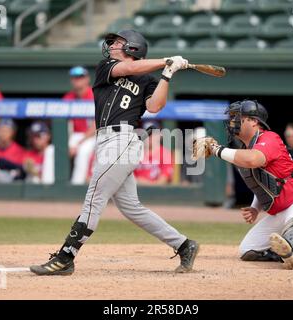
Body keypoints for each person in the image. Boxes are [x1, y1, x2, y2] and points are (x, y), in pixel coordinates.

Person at [30, 29, 199, 276]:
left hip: (124, 140)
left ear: (133, 48)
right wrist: (166, 60)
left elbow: (154, 106)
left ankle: (66, 256)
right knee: (131, 207)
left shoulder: (149, 81)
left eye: (117, 42)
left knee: (94, 198)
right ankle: (185, 245)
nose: (111, 46)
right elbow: (127, 70)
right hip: (105, 140)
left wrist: (167, 74)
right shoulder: (106, 66)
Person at [198, 100, 293, 269]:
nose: (233, 122)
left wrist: (217, 149)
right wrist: (256, 208)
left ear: (254, 121)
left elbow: (253, 159)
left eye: (239, 117)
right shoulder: (245, 150)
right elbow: (261, 184)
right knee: (248, 251)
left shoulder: (269, 138)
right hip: (279, 211)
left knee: (292, 234)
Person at [63, 66, 96, 185]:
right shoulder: (68, 97)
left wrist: (78, 143)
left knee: (83, 151)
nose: (77, 80)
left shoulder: (95, 95)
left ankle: (76, 185)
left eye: (80, 77)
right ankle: (48, 185)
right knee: (53, 151)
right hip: (74, 135)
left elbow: (97, 125)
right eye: (75, 78)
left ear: (87, 79)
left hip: (92, 136)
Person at [134, 121, 174, 185]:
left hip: (157, 192)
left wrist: (144, 183)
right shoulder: (135, 153)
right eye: (147, 133)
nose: (150, 137)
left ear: (160, 135)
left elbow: (163, 180)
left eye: (153, 134)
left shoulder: (165, 154)